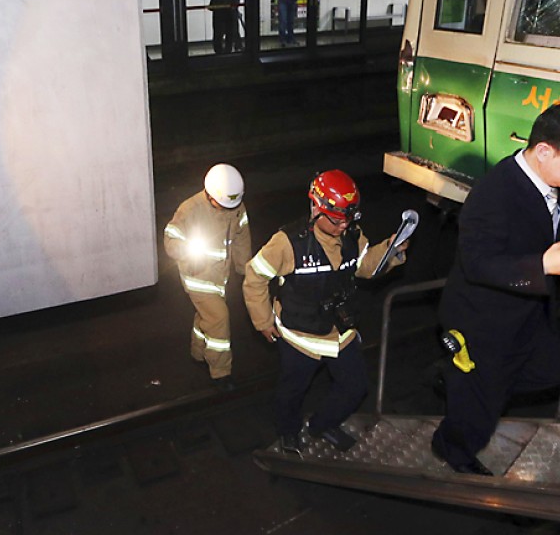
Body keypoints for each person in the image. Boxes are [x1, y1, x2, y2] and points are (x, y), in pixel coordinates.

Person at [431, 104, 560, 476]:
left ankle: (461, 383)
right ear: (544, 151)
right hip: (483, 323)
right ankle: (452, 450)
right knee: (479, 406)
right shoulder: (493, 194)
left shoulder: (548, 180)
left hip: (528, 314)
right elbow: (478, 264)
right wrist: (542, 266)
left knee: (543, 369)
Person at [243, 170, 407, 453]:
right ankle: (288, 431)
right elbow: (255, 276)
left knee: (355, 386)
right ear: (316, 209)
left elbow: (365, 265)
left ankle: (322, 425)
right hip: (299, 336)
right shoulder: (287, 242)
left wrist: (390, 252)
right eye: (336, 219)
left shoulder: (351, 236)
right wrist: (263, 321)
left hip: (339, 332)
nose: (343, 226)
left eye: (349, 218)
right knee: (291, 392)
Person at [164, 163, 251, 391]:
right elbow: (170, 238)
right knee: (219, 317)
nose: (226, 209)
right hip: (198, 276)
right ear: (210, 195)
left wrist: (244, 268)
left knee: (208, 316)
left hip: (220, 276)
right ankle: (220, 373)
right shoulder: (190, 209)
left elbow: (241, 235)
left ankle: (197, 352)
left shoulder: (236, 207)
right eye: (221, 204)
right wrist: (189, 255)